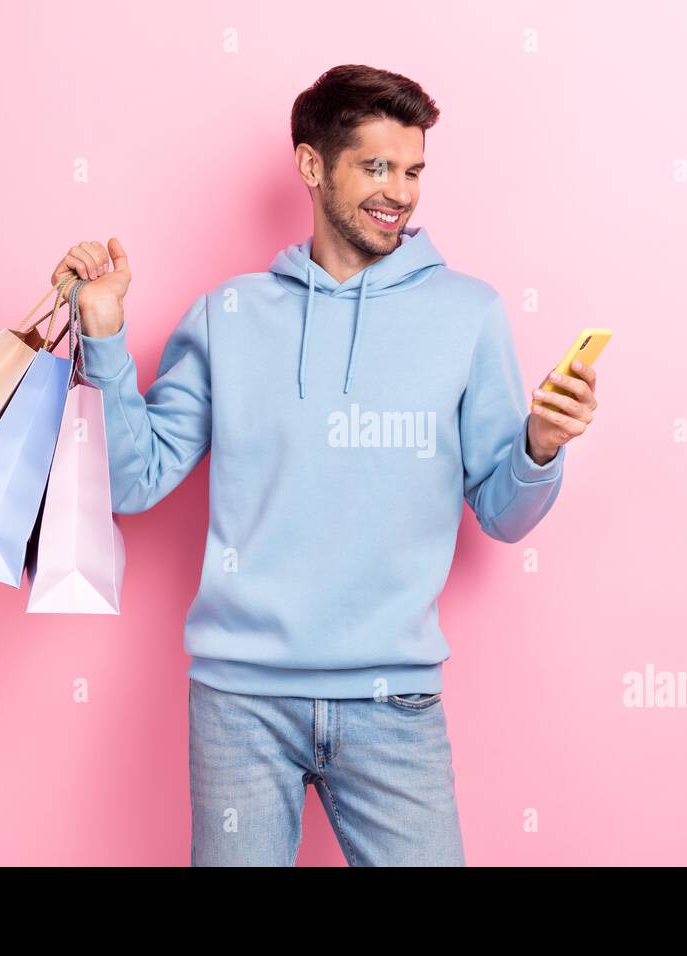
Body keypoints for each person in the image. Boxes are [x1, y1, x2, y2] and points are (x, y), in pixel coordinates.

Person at [48, 64, 598, 866]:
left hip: (394, 701)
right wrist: (102, 333)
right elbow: (134, 481)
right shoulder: (228, 316)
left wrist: (541, 447)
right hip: (241, 702)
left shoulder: (468, 314)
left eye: (412, 171)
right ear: (312, 166)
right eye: (376, 167)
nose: (400, 193)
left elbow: (505, 517)